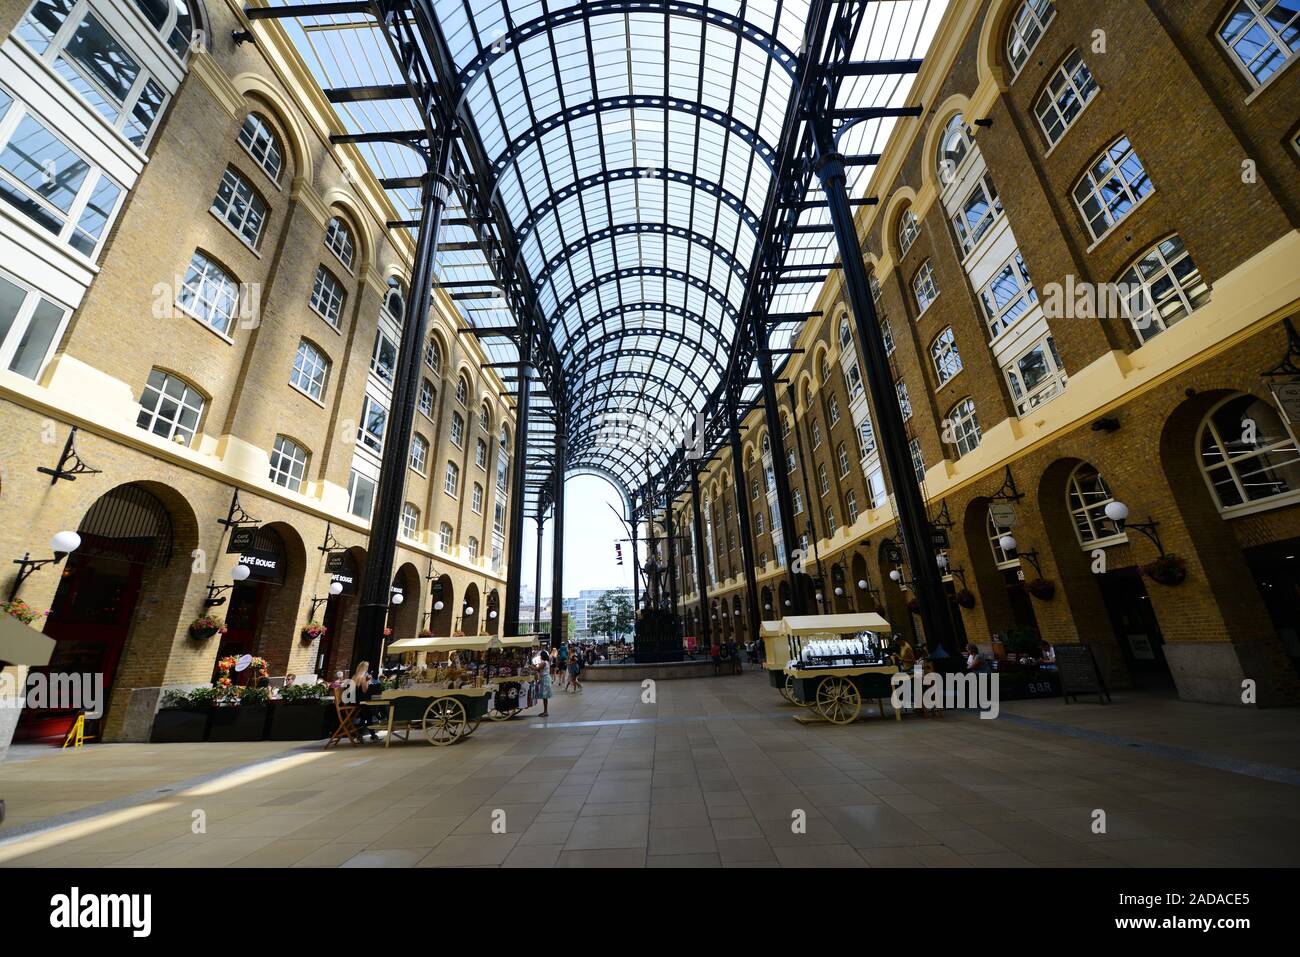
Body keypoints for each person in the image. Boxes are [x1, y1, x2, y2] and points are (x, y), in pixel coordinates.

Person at [535, 650, 553, 716]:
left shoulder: (544, 663)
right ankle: (545, 711)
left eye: (540, 656)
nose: (540, 657)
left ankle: (545, 711)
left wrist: (530, 666)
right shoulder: (546, 662)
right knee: (544, 696)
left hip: (545, 679)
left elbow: (537, 669)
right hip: (545, 678)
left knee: (545, 696)